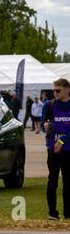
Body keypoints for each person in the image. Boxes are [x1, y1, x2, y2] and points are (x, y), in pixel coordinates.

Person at [46, 78, 70, 219]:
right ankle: (52, 213)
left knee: (67, 181)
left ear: (67, 89)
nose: (55, 93)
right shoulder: (49, 105)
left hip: (68, 150)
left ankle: (68, 213)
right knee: (52, 181)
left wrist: (62, 140)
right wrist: (46, 127)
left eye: (58, 90)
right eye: (53, 90)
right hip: (53, 150)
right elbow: (45, 123)